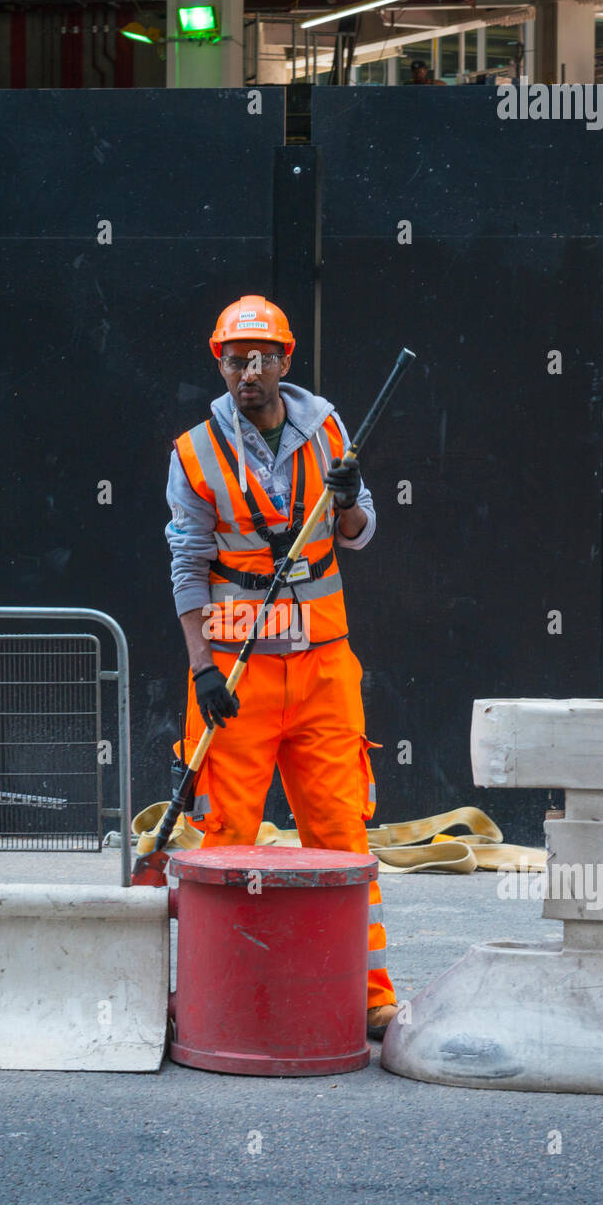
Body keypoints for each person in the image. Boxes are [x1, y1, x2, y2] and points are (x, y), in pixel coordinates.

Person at [164, 295, 399, 1040]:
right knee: (227, 837)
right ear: (220, 364)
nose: (250, 371)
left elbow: (357, 535)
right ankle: (219, 991)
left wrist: (351, 500)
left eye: (262, 357)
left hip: (326, 672)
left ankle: (365, 994)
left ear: (284, 362)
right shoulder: (195, 453)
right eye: (236, 359)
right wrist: (202, 668)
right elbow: (187, 564)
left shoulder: (328, 430)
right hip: (236, 679)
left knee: (341, 835)